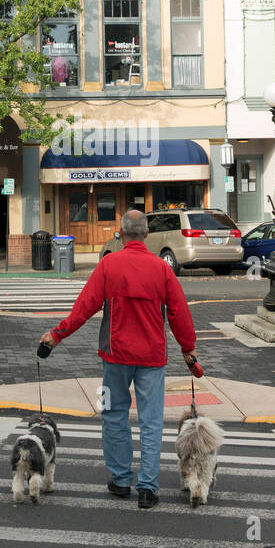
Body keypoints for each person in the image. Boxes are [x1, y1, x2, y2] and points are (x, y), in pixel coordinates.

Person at [39, 209, 198, 510]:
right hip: (152, 358)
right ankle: (148, 488)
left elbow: (83, 308)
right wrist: (188, 349)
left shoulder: (109, 265)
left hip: (115, 357)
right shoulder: (162, 269)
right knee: (151, 422)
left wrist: (56, 335)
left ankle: (121, 480)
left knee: (114, 416)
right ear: (146, 234)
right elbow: (179, 313)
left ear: (121, 234)